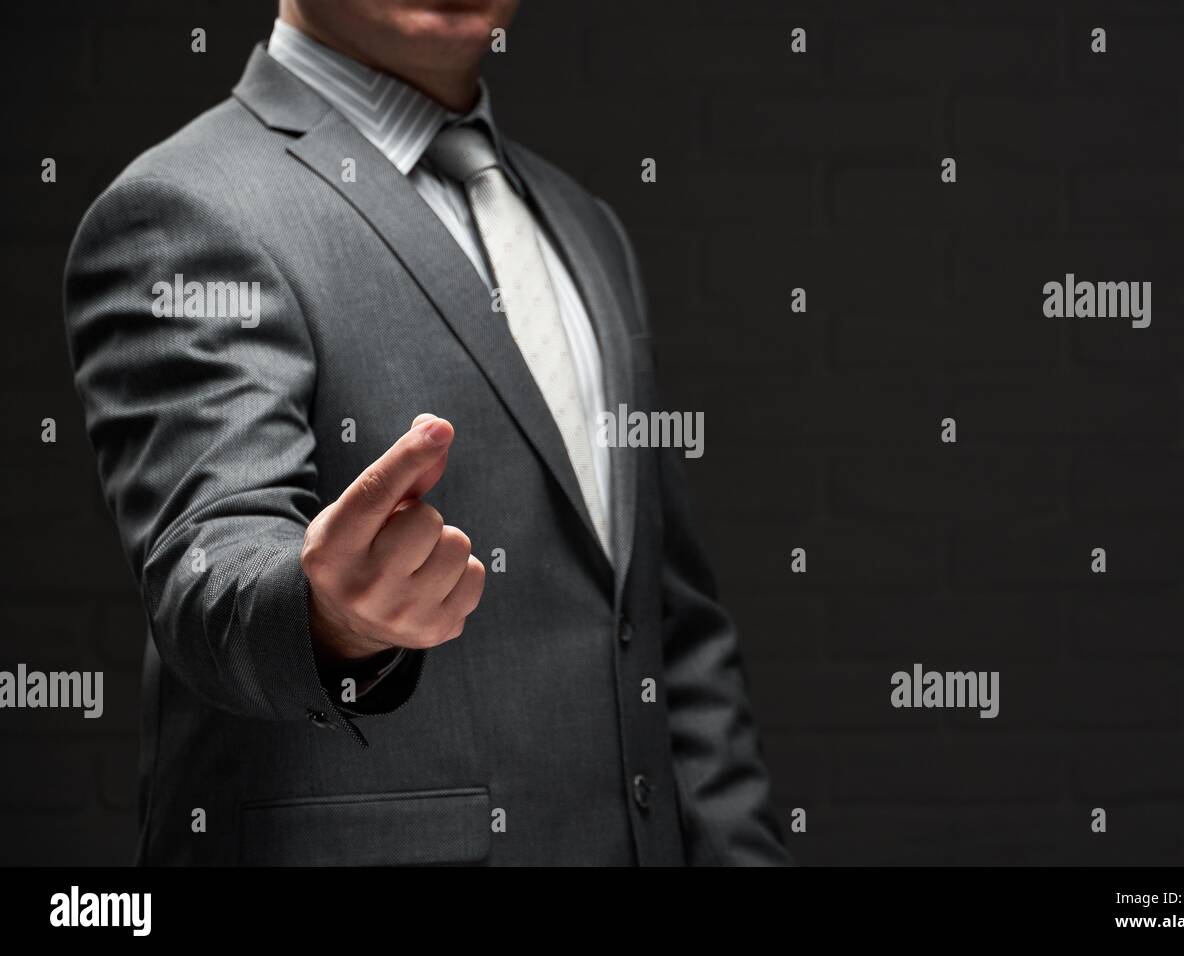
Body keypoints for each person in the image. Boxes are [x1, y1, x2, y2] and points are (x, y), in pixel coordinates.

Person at [63, 0, 788, 865]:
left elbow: (669, 622)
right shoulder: (183, 207)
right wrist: (328, 619)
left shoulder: (585, 227)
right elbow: (209, 564)